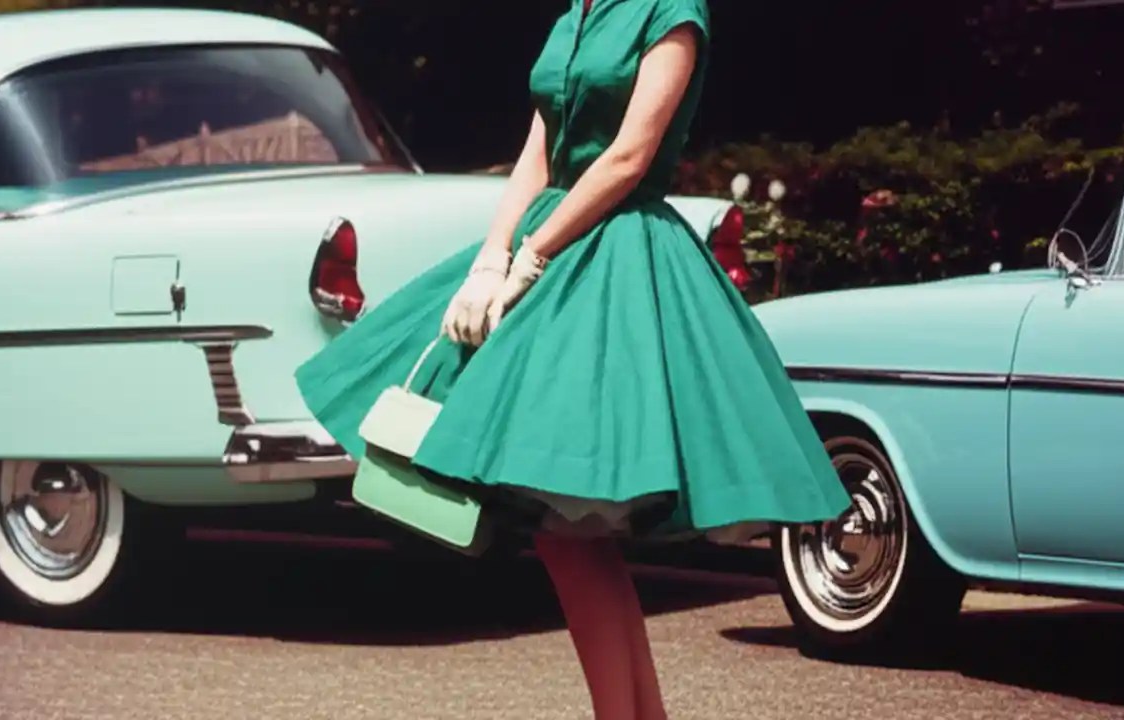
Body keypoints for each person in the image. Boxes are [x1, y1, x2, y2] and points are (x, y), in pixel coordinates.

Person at [295, 0, 852, 716]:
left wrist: (531, 257)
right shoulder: (576, 14)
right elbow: (537, 152)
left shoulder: (671, 12)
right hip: (549, 243)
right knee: (567, 538)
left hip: (615, 259)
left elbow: (629, 157)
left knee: (570, 525)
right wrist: (490, 258)